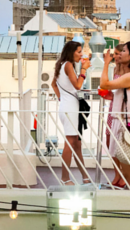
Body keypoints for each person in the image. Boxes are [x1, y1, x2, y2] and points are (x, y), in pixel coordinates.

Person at [100, 42, 130, 190]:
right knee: (127, 171)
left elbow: (104, 83)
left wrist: (106, 63)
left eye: (124, 51)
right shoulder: (128, 76)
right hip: (121, 123)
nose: (119, 54)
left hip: (125, 126)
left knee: (129, 173)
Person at [51, 41, 92, 185]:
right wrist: (84, 69)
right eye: (79, 52)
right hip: (70, 109)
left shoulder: (61, 64)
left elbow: (53, 84)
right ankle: (64, 178)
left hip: (66, 106)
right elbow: (78, 85)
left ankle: (85, 177)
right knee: (70, 142)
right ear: (71, 52)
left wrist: (61, 97)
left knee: (76, 144)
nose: (82, 54)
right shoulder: (68, 65)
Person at [103, 43, 130, 189]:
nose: (115, 56)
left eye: (117, 53)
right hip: (113, 108)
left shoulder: (128, 72)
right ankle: (117, 174)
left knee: (120, 144)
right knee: (110, 142)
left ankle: (123, 176)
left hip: (122, 110)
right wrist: (107, 95)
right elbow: (113, 91)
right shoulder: (115, 69)